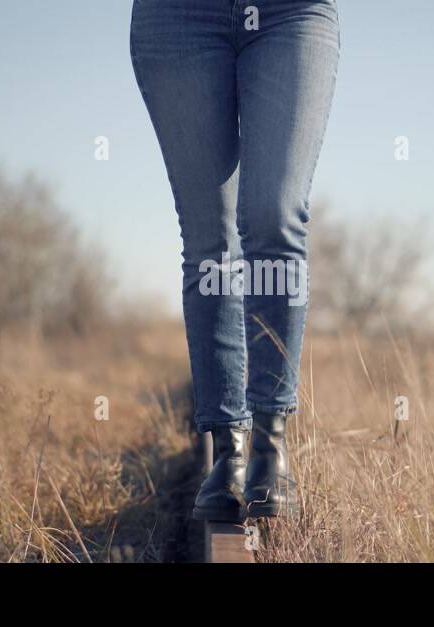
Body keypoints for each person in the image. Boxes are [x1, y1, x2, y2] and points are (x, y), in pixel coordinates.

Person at [130, 0, 340, 521]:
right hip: (177, 19)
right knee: (209, 244)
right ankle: (229, 451)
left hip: (292, 12)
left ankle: (271, 444)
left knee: (275, 214)